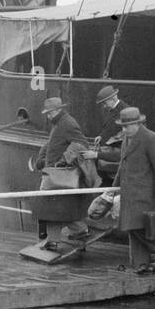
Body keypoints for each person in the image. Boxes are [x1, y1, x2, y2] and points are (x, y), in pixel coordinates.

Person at [113, 107, 155, 274]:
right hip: (129, 193)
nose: (123, 130)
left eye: (126, 126)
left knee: (136, 226)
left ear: (137, 124)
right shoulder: (128, 139)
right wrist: (113, 188)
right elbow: (122, 166)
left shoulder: (151, 139)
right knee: (132, 227)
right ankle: (141, 265)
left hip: (144, 194)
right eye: (122, 127)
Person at [31, 96, 93, 246]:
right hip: (53, 172)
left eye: (50, 112)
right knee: (56, 207)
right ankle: (78, 231)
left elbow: (81, 143)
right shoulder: (59, 123)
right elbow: (52, 142)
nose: (48, 115)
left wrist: (65, 160)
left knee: (51, 207)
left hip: (59, 173)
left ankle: (55, 239)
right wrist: (42, 158)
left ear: (58, 110)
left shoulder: (67, 123)